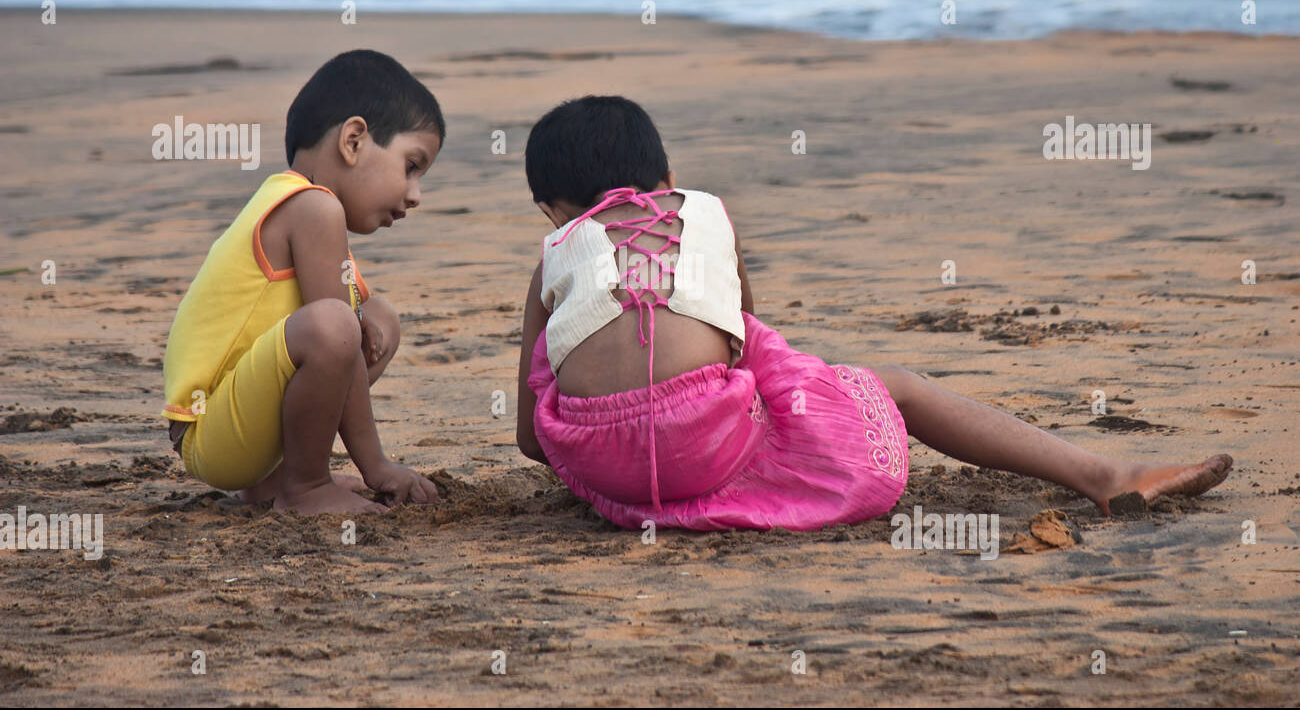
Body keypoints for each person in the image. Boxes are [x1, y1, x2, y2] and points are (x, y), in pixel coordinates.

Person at [515, 95, 1232, 531]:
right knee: (893, 385)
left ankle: (666, 487)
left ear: (552, 212)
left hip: (604, 467)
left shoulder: (551, 256)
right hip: (706, 445)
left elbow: (530, 440)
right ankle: (1105, 476)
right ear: (670, 182)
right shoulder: (705, 214)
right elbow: (750, 342)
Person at [161, 50, 443, 515]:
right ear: (353, 141)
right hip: (212, 433)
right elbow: (335, 334)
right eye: (411, 166)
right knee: (335, 326)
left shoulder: (305, 208)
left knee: (378, 319)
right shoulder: (313, 207)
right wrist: (377, 468)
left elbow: (355, 334)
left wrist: (356, 322)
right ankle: (307, 487)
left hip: (239, 431)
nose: (415, 194)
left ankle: (277, 479)